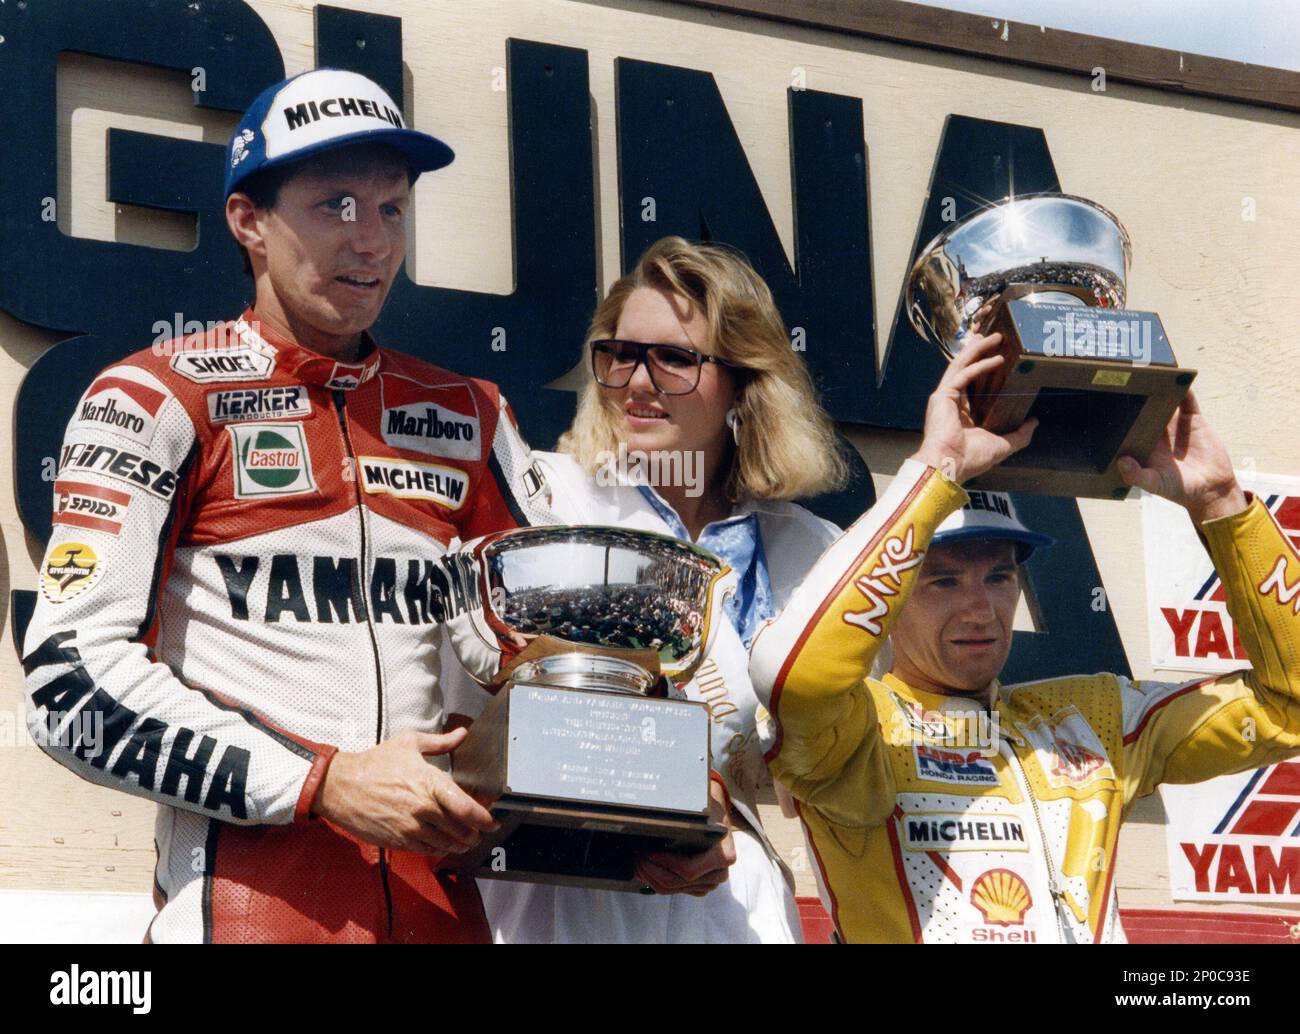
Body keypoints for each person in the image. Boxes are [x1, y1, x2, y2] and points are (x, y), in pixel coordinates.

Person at [21, 68, 556, 943]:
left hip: (444, 914)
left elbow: (549, 658)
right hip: (244, 911)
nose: (372, 241)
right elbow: (67, 685)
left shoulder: (472, 413)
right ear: (249, 222)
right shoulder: (157, 397)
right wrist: (324, 781)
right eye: (335, 204)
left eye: (391, 208)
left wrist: (650, 818)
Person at [749, 322, 1300, 943]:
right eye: (943, 582)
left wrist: (1223, 503)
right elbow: (792, 673)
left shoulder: (1092, 718)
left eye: (999, 576)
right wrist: (937, 470)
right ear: (891, 596)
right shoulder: (853, 729)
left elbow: (1291, 705)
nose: (981, 608)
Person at [445, 235, 849, 942]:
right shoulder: (548, 498)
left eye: (675, 359)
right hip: (558, 903)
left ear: (745, 383)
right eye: (621, 353)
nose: (637, 381)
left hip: (732, 908)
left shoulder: (810, 549)